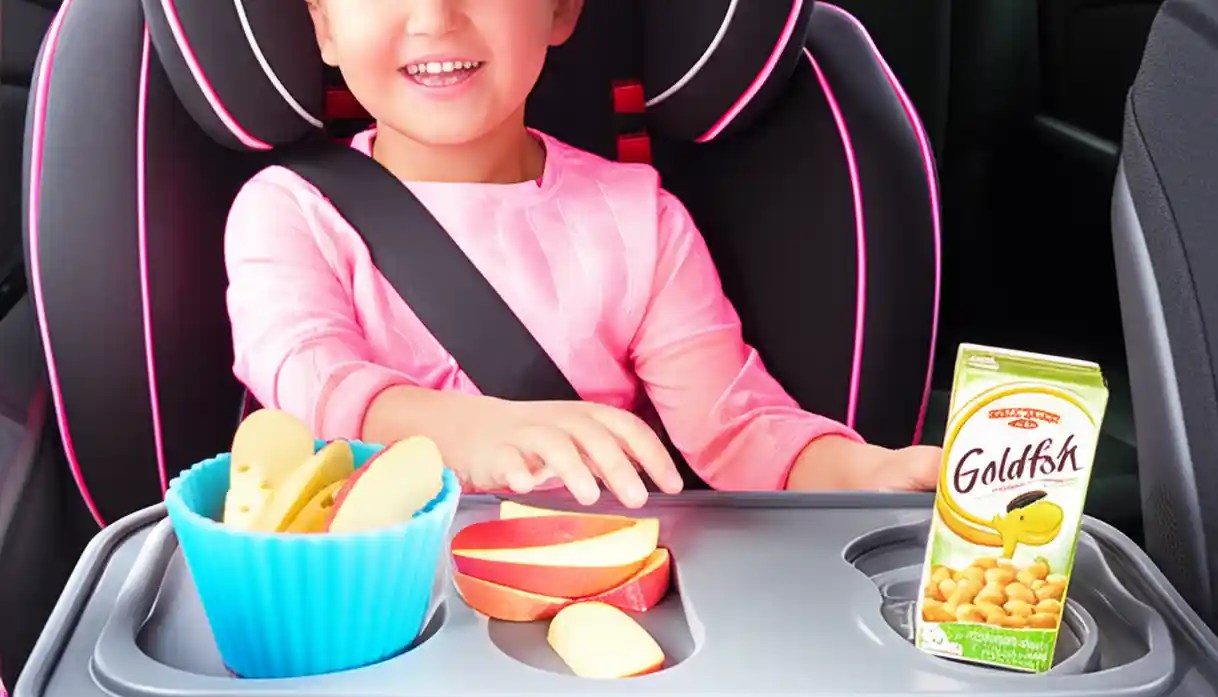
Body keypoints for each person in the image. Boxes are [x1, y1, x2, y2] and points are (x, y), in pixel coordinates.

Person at [224, 0, 942, 509]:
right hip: (370, 594)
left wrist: (866, 472)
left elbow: (738, 429)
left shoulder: (640, 219)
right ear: (325, 25)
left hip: (585, 588)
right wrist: (467, 431)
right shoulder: (291, 210)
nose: (434, 17)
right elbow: (310, 377)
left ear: (561, 9)